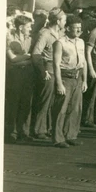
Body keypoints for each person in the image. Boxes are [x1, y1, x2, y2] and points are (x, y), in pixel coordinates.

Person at [50, 15, 88, 148]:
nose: (78, 30)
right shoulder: (60, 43)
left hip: (77, 77)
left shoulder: (81, 42)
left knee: (75, 109)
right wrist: (59, 83)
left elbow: (84, 62)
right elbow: (56, 64)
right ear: (67, 28)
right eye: (75, 28)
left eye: (80, 28)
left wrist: (84, 80)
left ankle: (71, 135)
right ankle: (58, 139)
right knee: (61, 109)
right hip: (65, 77)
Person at [30, 8, 67, 139]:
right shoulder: (45, 34)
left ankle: (48, 127)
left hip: (59, 69)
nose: (65, 23)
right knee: (44, 100)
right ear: (58, 21)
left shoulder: (61, 34)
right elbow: (36, 53)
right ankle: (39, 129)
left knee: (53, 101)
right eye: (64, 20)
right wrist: (43, 71)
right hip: (48, 69)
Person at [5, 15, 35, 143]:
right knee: (13, 104)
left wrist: (22, 58)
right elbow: (11, 58)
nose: (30, 29)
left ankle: (23, 132)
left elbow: (19, 58)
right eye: (28, 27)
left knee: (25, 104)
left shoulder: (30, 39)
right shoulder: (9, 38)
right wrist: (27, 57)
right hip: (15, 74)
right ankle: (11, 134)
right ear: (21, 27)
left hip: (27, 74)